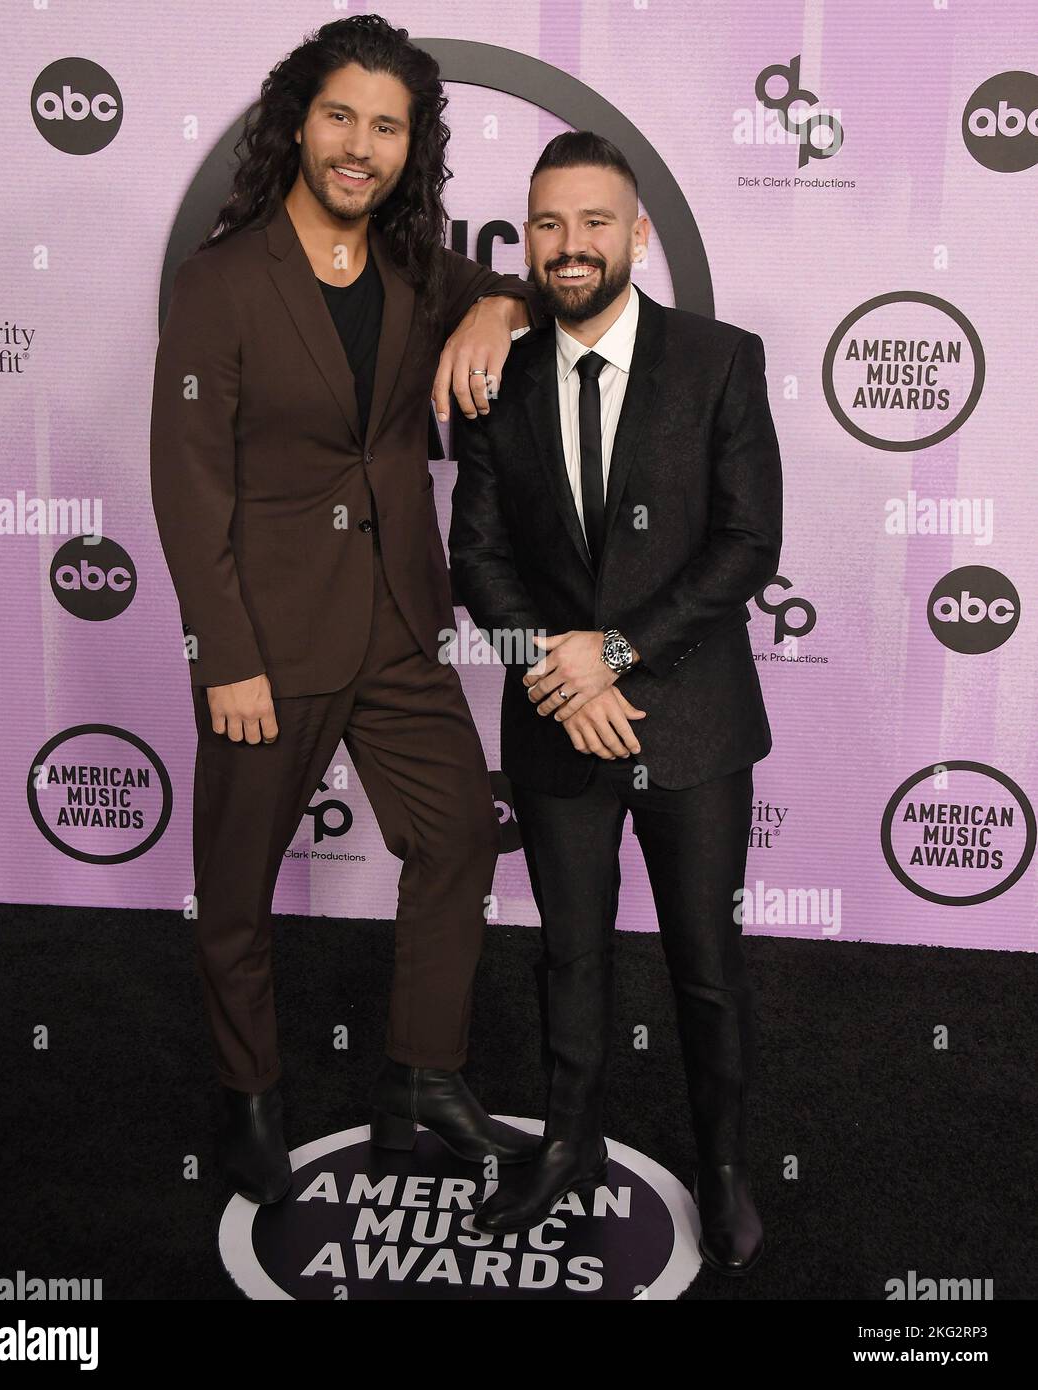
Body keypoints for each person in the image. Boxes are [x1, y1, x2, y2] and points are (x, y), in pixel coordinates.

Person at [149, 14, 544, 1206]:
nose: (358, 146)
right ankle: (249, 1098)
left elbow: (522, 294)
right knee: (238, 886)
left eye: (385, 126)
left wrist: (500, 310)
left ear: (408, 146)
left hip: (395, 619)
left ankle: (420, 1080)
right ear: (299, 123)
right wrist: (225, 655)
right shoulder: (222, 281)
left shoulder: (420, 267)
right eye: (340, 117)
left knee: (458, 833)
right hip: (265, 640)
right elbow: (187, 483)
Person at [448, 131, 783, 1274]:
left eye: (594, 221)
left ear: (635, 231)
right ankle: (567, 1145)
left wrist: (618, 656)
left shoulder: (718, 361)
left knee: (703, 961)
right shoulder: (497, 379)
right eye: (547, 224)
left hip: (688, 723)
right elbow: (475, 558)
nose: (570, 244)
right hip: (554, 719)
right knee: (569, 955)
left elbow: (747, 543)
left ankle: (723, 1166)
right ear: (524, 239)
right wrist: (557, 665)